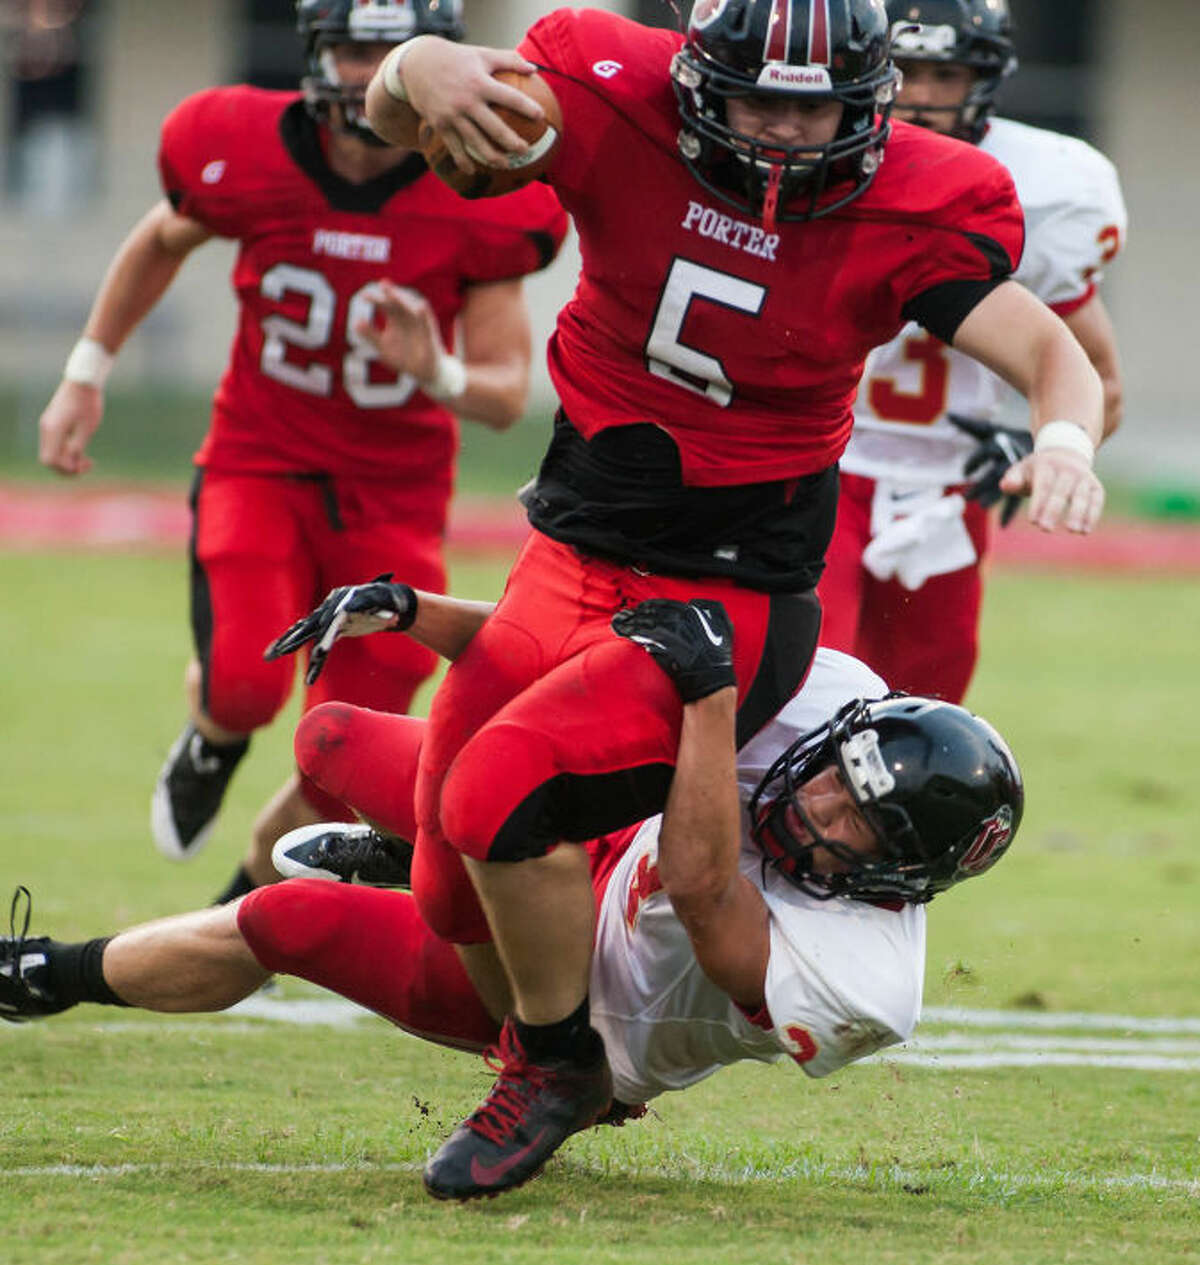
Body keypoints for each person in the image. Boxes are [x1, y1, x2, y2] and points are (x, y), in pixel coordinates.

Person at [348, 0, 1100, 1196]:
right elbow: (396, 114)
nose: (788, 138)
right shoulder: (606, 90)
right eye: (761, 104)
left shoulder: (921, 197)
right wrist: (414, 65)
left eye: (815, 110)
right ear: (697, 86)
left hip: (728, 589)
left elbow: (1048, 348)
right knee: (444, 870)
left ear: (868, 107)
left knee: (503, 798)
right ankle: (555, 1042)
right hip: (573, 545)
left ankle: (552, 1068)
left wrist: (1062, 437)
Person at [1, 595, 1024, 1202]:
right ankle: (437, 859)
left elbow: (708, 897)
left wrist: (711, 698)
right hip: (618, 852)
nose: (820, 806)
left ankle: (48, 973)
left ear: (904, 881)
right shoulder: (827, 692)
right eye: (838, 775)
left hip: (581, 1019)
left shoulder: (864, 978)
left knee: (282, 921)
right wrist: (416, 613)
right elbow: (575, 662)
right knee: (331, 740)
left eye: (858, 826)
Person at [34, 0, 567, 904]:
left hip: (394, 491)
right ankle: (214, 732)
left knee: (347, 731)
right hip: (260, 456)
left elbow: (506, 389)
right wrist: (86, 371)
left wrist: (434, 368)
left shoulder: (475, 189)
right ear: (320, 52)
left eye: (396, 50)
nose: (374, 72)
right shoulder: (242, 145)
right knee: (245, 684)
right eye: (359, 48)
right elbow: (162, 238)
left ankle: (248, 896)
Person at [818, 0, 1128, 701]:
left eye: (946, 73)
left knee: (924, 715)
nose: (922, 97)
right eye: (906, 70)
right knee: (801, 693)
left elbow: (1098, 380)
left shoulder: (1046, 191)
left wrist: (1045, 448)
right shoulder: (811, 151)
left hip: (949, 487)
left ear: (985, 78)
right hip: (819, 465)